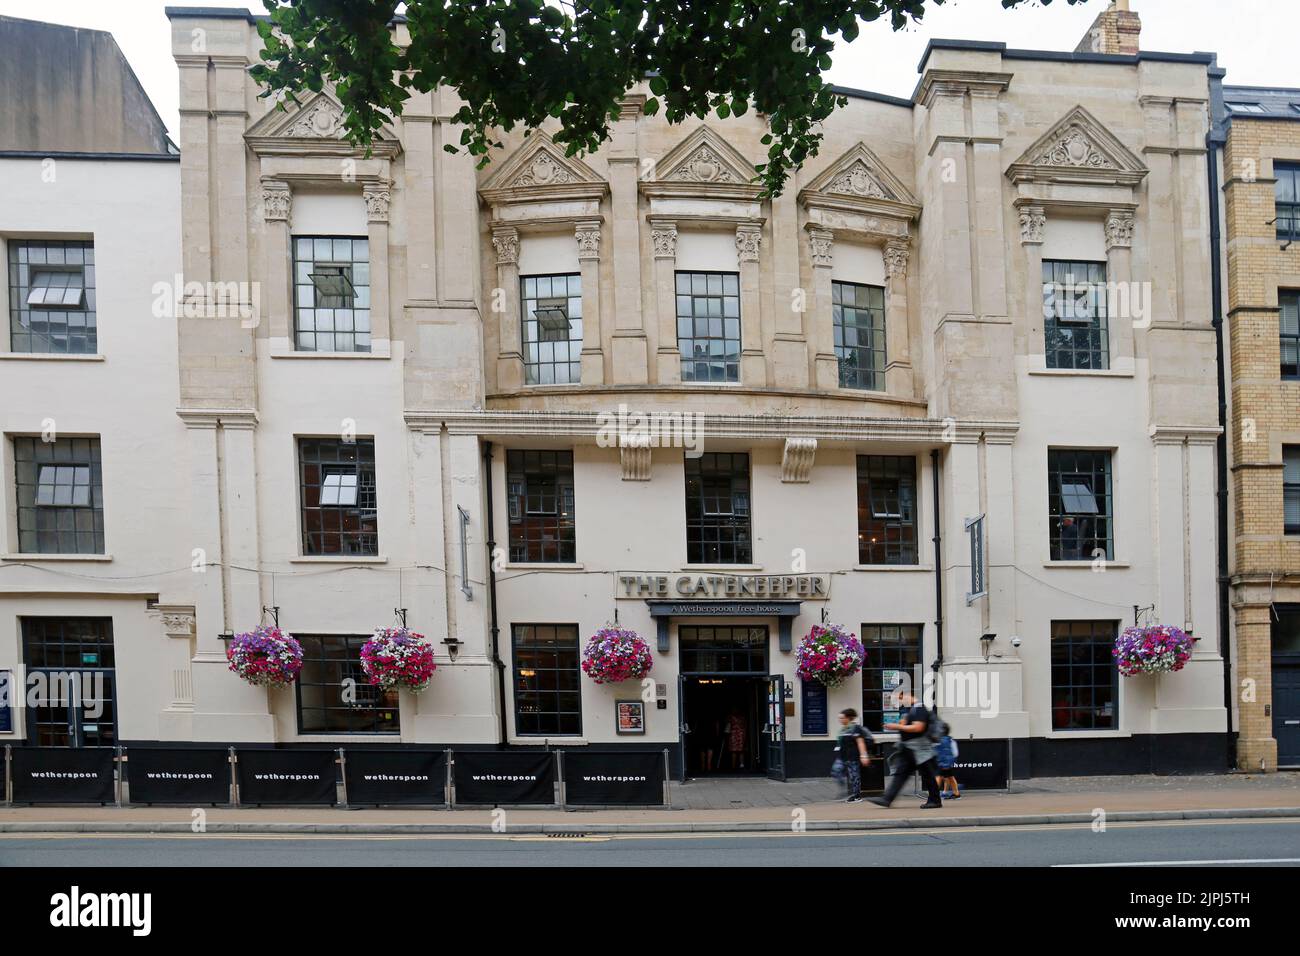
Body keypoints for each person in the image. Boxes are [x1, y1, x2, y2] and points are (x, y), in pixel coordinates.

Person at [866, 690, 943, 809]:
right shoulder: (912, 710)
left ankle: (935, 800)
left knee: (926, 775)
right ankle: (887, 798)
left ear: (909, 695)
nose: (900, 702)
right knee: (901, 774)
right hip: (911, 748)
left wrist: (896, 726)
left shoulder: (919, 708)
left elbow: (918, 727)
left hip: (920, 749)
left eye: (900, 699)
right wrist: (903, 723)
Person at [835, 708, 872, 802]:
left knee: (854, 776)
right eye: (839, 718)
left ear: (848, 718)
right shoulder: (844, 729)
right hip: (844, 756)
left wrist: (864, 756)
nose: (840, 720)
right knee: (837, 771)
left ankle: (857, 796)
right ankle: (848, 792)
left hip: (853, 756)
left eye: (842, 718)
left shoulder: (855, 728)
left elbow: (860, 742)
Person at [934, 721, 960, 799]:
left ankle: (934, 794)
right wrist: (951, 761)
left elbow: (934, 752)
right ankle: (956, 793)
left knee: (938, 777)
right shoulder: (951, 740)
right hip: (949, 763)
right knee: (951, 777)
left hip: (940, 763)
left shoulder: (937, 740)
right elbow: (955, 753)